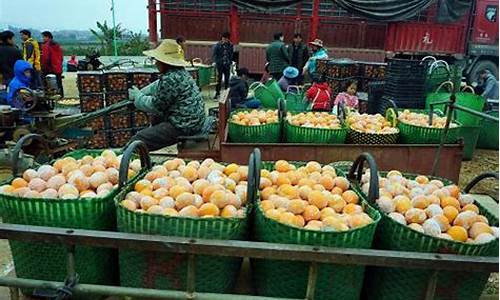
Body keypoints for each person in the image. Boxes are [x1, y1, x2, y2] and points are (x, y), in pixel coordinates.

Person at [128, 39, 206, 151]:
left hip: (184, 125)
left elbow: (155, 105)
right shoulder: (180, 72)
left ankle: (126, 161)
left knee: (138, 139)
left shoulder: (170, 79)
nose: (156, 63)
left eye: (158, 61)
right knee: (156, 119)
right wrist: (141, 91)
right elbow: (157, 85)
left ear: (165, 62)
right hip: (194, 120)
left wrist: (138, 97)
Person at [41, 31, 64, 96]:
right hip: (58, 67)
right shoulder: (57, 45)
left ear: (47, 37)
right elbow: (61, 57)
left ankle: (48, 95)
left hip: (50, 68)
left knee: (46, 82)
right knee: (59, 83)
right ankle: (61, 96)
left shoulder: (46, 46)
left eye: (43, 37)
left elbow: (46, 58)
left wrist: (43, 67)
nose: (43, 39)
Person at [212, 32, 234, 99]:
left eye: (226, 39)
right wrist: (216, 62)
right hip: (220, 64)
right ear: (222, 38)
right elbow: (214, 54)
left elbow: (231, 54)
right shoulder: (218, 45)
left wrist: (230, 62)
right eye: (224, 38)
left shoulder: (230, 45)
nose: (225, 40)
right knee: (219, 79)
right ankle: (217, 93)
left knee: (227, 79)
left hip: (227, 64)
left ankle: (226, 94)